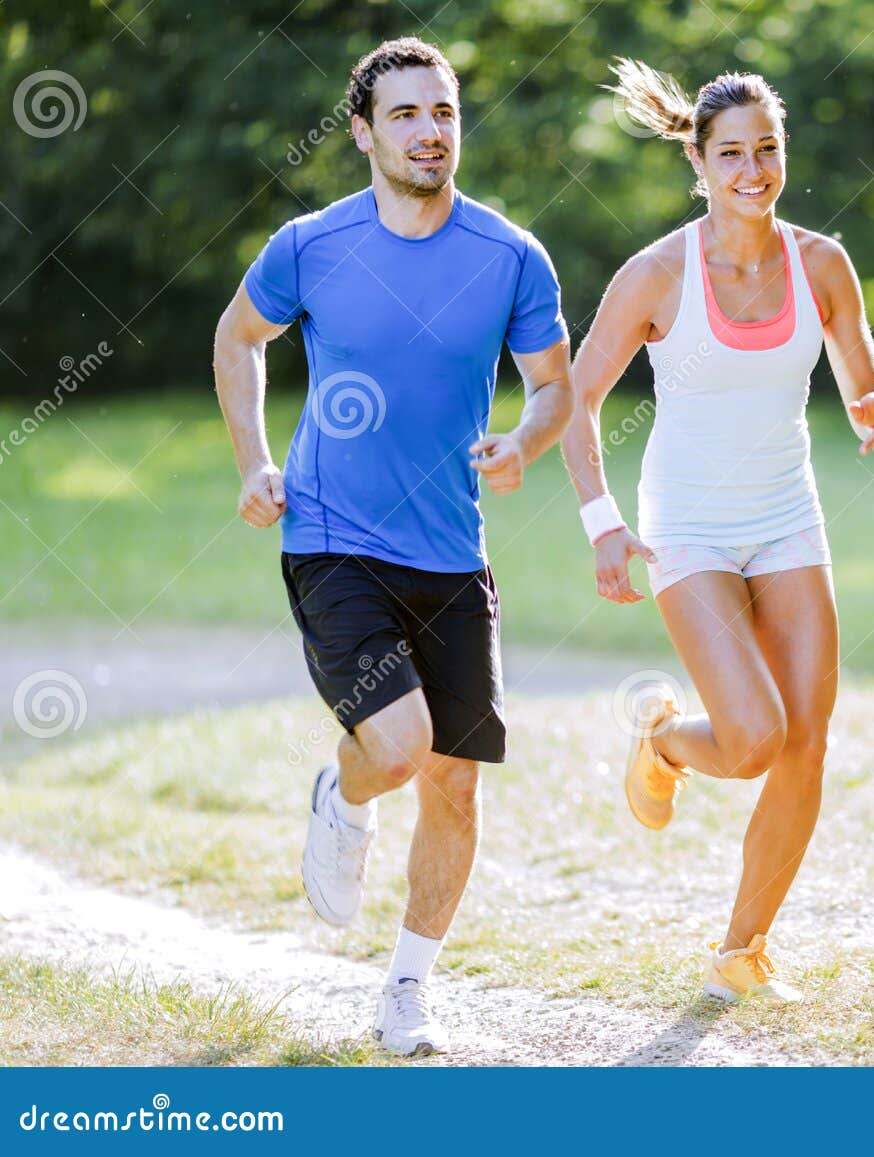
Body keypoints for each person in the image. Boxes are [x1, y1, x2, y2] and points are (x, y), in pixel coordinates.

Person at [212, 38, 573, 1055]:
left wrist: (524, 438)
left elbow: (555, 383)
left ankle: (406, 988)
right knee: (403, 748)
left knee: (456, 782)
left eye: (445, 112)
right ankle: (349, 784)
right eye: (407, 114)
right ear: (364, 131)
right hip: (332, 536)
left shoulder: (510, 255)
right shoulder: (309, 245)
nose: (429, 131)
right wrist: (252, 461)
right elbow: (236, 339)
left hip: (452, 551)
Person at [561, 59, 874, 1004]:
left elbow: (858, 370)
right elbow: (576, 399)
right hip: (690, 529)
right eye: (732, 154)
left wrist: (873, 406)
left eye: (768, 149)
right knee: (752, 738)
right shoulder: (659, 274)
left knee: (806, 743)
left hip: (788, 519)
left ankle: (741, 951)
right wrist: (605, 527)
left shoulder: (821, 262)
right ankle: (666, 742)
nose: (753, 169)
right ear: (700, 165)